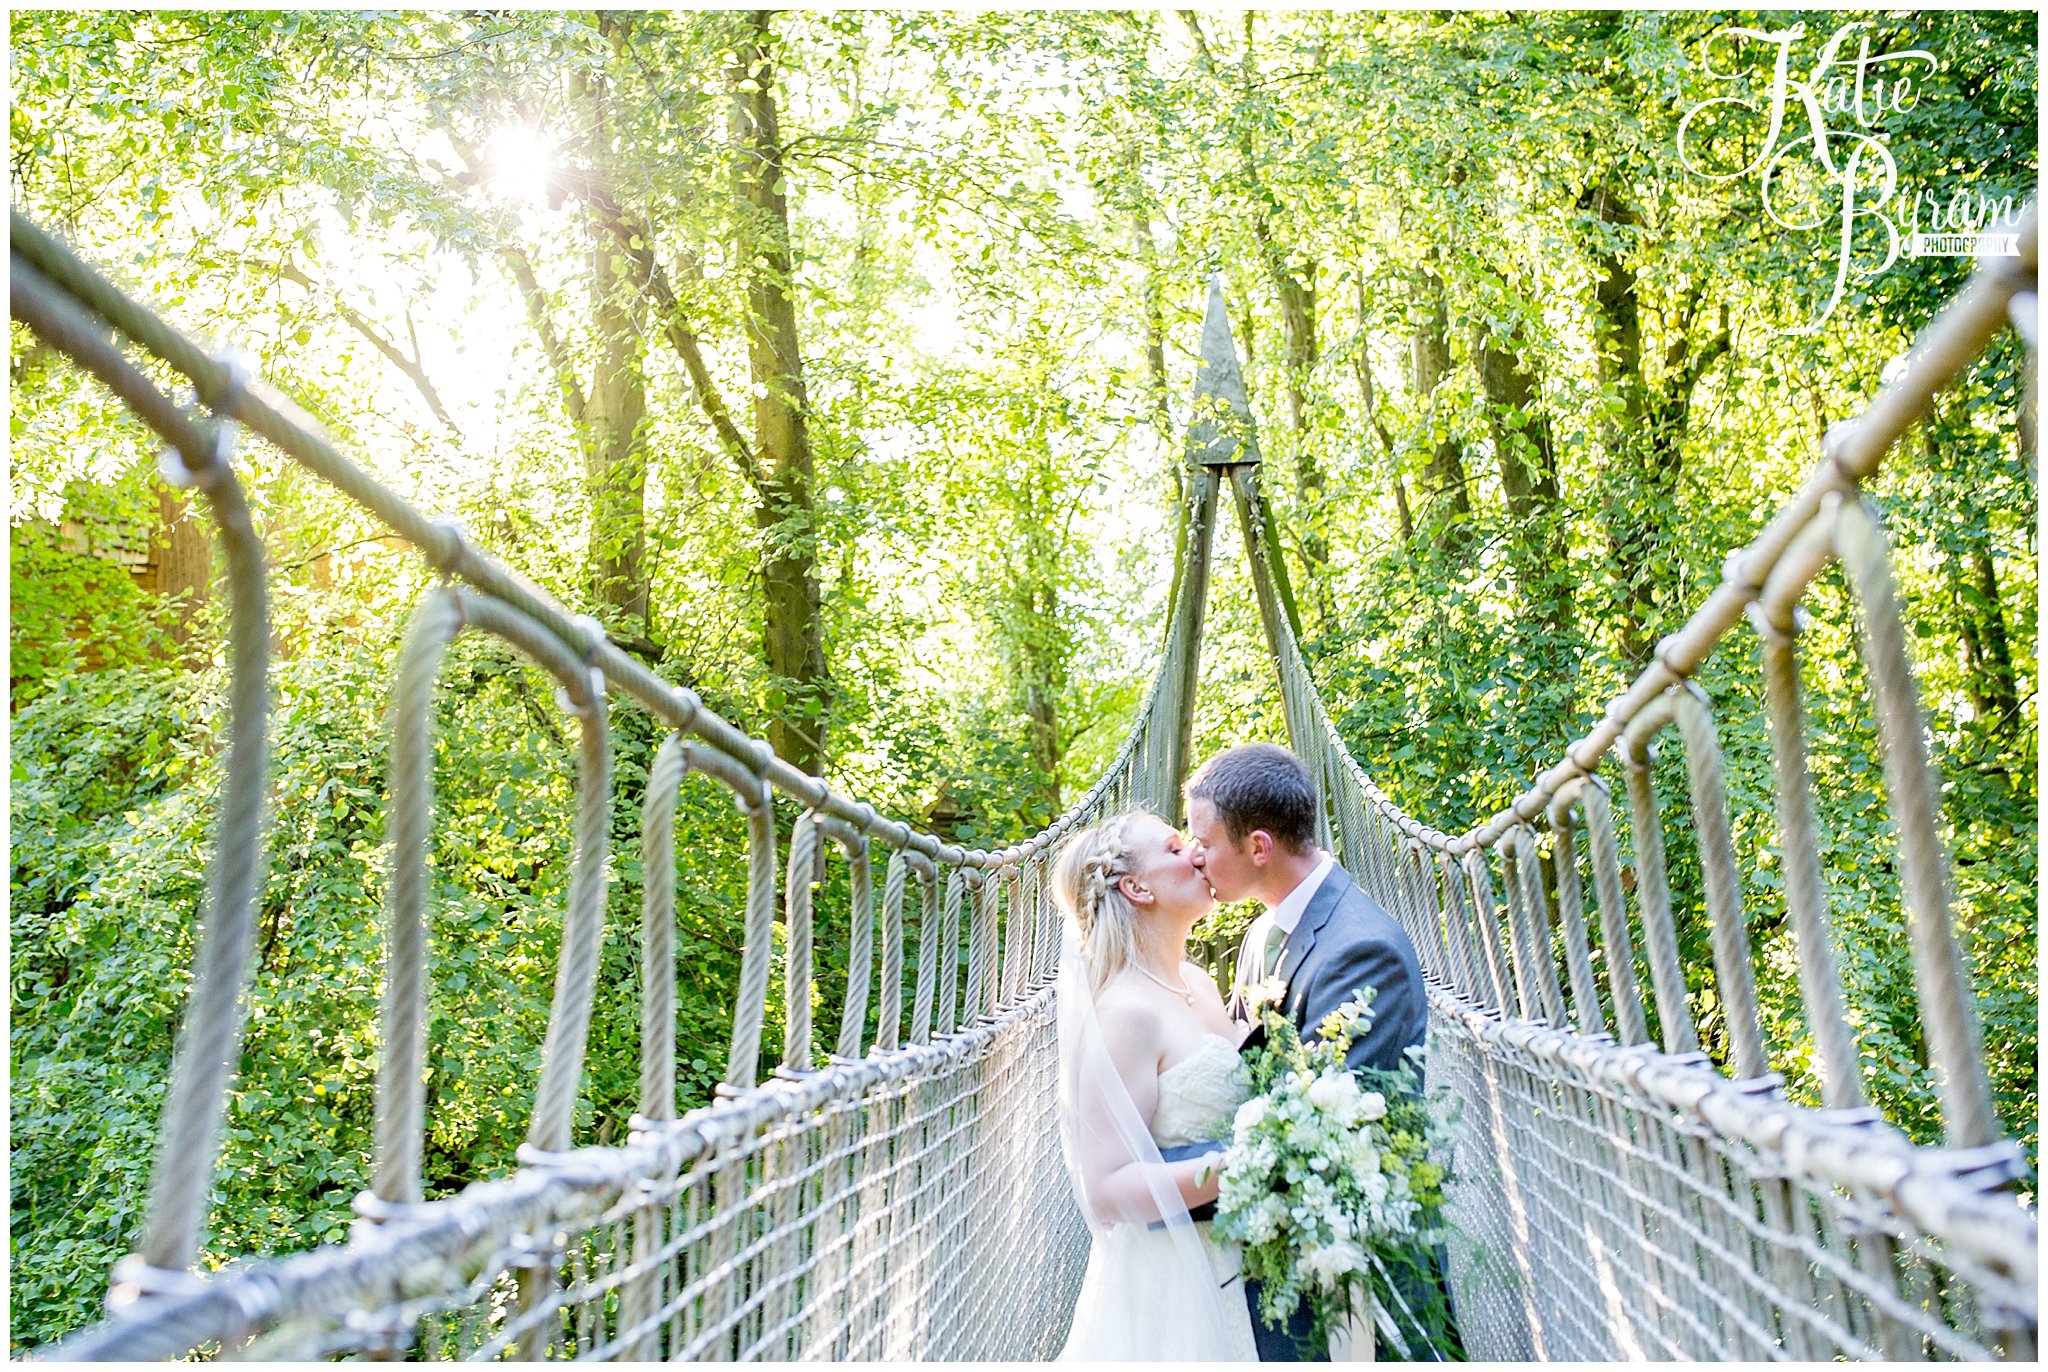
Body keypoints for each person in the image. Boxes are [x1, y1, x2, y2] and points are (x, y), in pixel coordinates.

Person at [1185, 741, 1447, 1362]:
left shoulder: (1362, 949)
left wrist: (1153, 1183)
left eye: (1205, 840)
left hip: (1356, 1289)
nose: (1194, 856)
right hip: (1283, 1268)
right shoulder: (1261, 933)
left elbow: (1319, 1137)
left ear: (1257, 847)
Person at [1051, 810, 1260, 1362]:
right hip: (1173, 1286)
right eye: (1173, 848)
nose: (1196, 853)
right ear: (1137, 888)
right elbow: (1106, 1188)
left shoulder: (1194, 981)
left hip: (1236, 1267)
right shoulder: (1127, 1013)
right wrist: (1241, 1168)